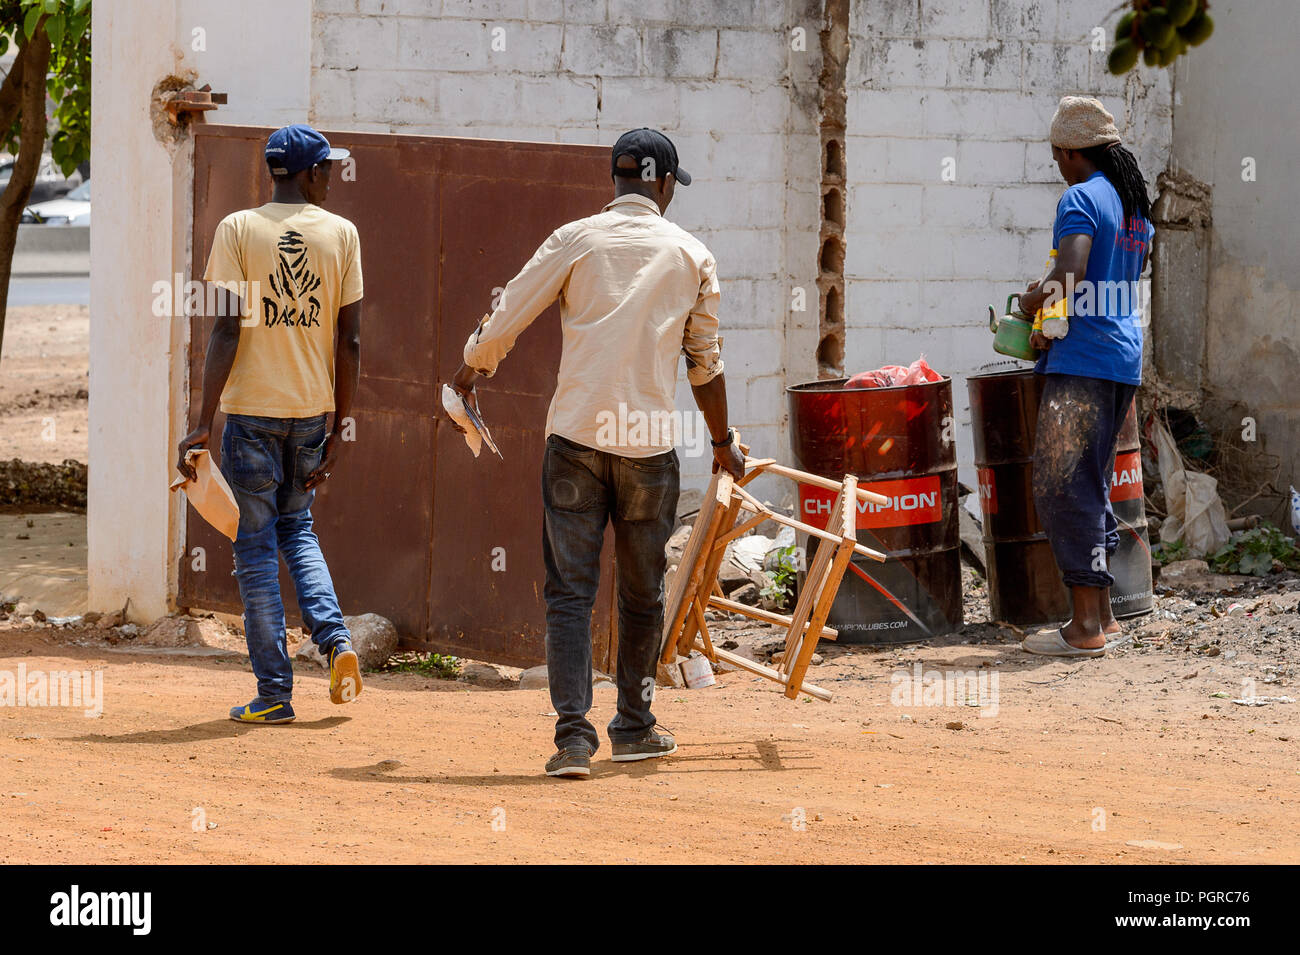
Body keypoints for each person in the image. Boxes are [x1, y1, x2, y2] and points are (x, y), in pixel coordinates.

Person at [445, 128, 745, 778]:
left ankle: (573, 741)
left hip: (577, 441)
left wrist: (471, 370)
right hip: (647, 449)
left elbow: (510, 311)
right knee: (641, 595)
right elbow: (705, 364)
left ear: (617, 181)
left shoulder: (574, 240)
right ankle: (635, 726)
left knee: (571, 595)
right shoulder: (692, 255)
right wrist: (723, 445)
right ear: (663, 184)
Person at [176, 124, 365, 722]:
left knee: (255, 549)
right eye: (327, 168)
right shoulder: (342, 234)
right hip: (310, 415)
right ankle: (336, 642)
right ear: (309, 174)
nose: (332, 177)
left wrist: (204, 420)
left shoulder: (237, 229)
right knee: (298, 530)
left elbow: (225, 330)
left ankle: (273, 695)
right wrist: (340, 426)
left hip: (252, 415)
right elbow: (350, 339)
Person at [1017, 96, 1154, 659]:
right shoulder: (1133, 207)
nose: (1058, 167)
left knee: (1059, 487)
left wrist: (1030, 305)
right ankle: (1104, 617)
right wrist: (1057, 317)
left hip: (1085, 365)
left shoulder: (1081, 198)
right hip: (1122, 358)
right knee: (1089, 481)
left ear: (1073, 152)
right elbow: (1110, 282)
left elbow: (1070, 273)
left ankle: (1084, 629)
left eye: (1058, 157)